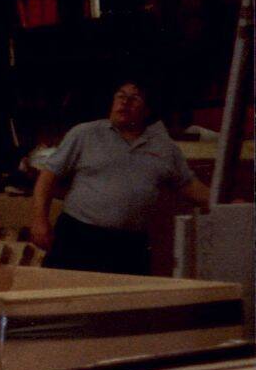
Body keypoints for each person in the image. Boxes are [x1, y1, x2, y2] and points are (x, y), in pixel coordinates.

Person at [32, 78, 210, 275]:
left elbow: (189, 185)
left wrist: (227, 203)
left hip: (129, 245)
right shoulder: (85, 133)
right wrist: (40, 220)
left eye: (135, 98)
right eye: (121, 96)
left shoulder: (165, 148)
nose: (125, 102)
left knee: (122, 300)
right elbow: (48, 177)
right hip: (78, 236)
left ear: (147, 111)